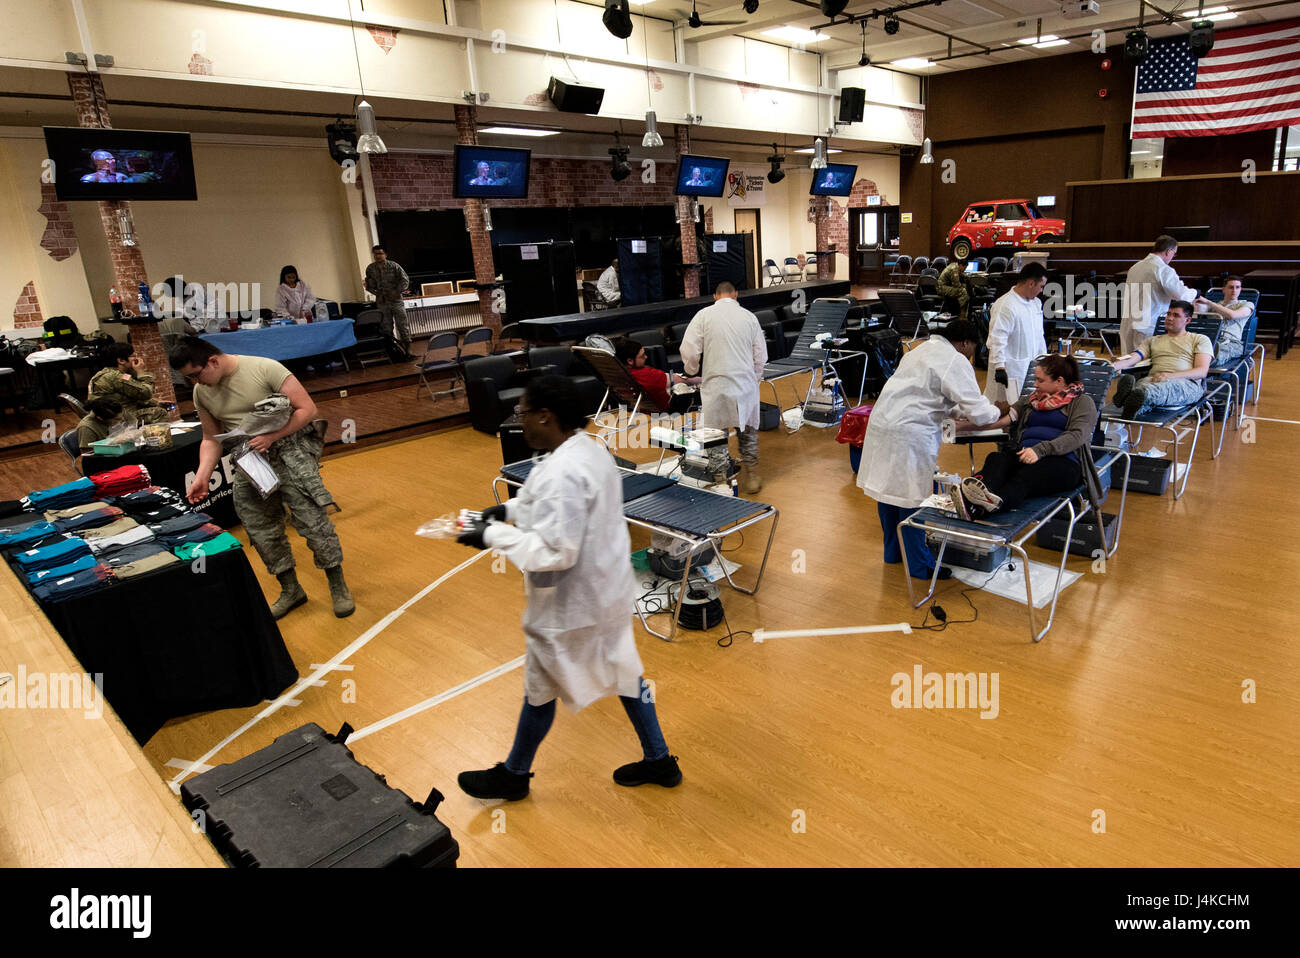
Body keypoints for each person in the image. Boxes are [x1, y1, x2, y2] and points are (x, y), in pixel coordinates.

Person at [454, 375, 680, 801]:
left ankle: (514, 775)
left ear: (546, 415)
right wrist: (505, 509)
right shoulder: (589, 450)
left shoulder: (562, 469)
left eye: (523, 413)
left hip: (571, 607)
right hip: (609, 593)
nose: (519, 422)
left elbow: (554, 553)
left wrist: (492, 536)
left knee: (540, 689)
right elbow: (553, 501)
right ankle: (660, 761)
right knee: (627, 676)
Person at [168, 337, 354, 618]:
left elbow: (308, 409)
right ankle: (291, 589)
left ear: (213, 361)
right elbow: (210, 438)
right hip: (249, 459)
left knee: (313, 522)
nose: (196, 382)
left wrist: (272, 436)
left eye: (196, 374)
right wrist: (203, 476)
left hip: (288, 451)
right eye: (189, 378)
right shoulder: (201, 392)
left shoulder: (265, 368)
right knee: (260, 526)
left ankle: (337, 585)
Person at [856, 320, 1007, 580]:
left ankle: (893, 553)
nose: (972, 355)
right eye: (972, 349)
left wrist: (961, 415)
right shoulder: (954, 359)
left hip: (884, 424)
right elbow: (981, 414)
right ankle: (920, 566)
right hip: (910, 433)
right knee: (911, 499)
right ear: (965, 343)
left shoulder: (919, 350)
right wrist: (1000, 410)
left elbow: (937, 395)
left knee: (890, 493)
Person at [956, 355, 1102, 518]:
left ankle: (986, 505)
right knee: (996, 459)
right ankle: (977, 495)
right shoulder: (1030, 400)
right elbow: (1001, 421)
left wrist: (1040, 450)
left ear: (1059, 381)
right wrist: (962, 426)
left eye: (1040, 380)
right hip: (1025, 455)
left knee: (1024, 478)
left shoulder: (1082, 402)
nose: (1035, 385)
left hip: (1064, 462)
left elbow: (1077, 436)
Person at [679, 281, 767, 493]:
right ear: (736, 295)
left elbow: (689, 349)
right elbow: (760, 355)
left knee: (716, 434)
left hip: (717, 385)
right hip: (744, 385)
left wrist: (691, 370)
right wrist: (754, 378)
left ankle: (720, 481)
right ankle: (751, 475)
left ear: (715, 296)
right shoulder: (749, 317)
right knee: (747, 431)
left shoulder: (703, 315)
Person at [1109, 300, 1212, 419]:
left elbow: (1202, 371)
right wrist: (1111, 367)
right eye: (1168, 314)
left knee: (1153, 390)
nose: (1169, 318)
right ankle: (1132, 405)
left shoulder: (1200, 339)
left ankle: (1127, 398)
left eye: (1176, 315)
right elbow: (1132, 358)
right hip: (1154, 380)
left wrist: (1170, 376)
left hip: (1187, 384)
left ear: (1187, 320)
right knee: (1143, 388)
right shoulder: (1152, 340)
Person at [1120, 235, 1198, 355]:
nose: (1173, 257)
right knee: (1145, 364)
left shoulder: (1135, 267)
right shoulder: (1162, 269)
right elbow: (1181, 295)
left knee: (1128, 363)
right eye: (1174, 254)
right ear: (1168, 251)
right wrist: (1196, 292)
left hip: (1128, 323)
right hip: (1148, 324)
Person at [985, 262, 1048, 403]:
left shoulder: (1036, 303)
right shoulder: (1005, 305)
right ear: (1031, 283)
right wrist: (999, 367)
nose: (1041, 290)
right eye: (1041, 286)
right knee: (1002, 409)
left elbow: (1039, 336)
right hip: (1009, 370)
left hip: (1031, 368)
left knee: (1027, 408)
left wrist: (1045, 360)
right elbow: (997, 339)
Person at [88, 343, 168, 425]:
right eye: (133, 356)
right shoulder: (115, 377)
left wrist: (155, 402)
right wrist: (141, 372)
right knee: (159, 413)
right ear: (121, 361)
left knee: (154, 407)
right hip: (115, 418)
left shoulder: (109, 373)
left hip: (118, 412)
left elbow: (132, 394)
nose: (136, 358)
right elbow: (146, 393)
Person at [614, 339, 698, 414]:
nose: (646, 357)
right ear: (630, 361)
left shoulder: (617, 374)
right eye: (642, 356)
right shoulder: (647, 375)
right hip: (661, 413)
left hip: (634, 412)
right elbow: (684, 381)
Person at [363, 245, 412, 359]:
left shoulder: (394, 266)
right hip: (382, 302)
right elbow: (369, 285)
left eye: (380, 253)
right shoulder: (370, 268)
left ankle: (408, 351)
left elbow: (405, 280)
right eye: (375, 254)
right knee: (386, 328)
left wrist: (397, 291)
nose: (378, 256)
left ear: (385, 254)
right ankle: (393, 352)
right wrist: (376, 293)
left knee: (403, 326)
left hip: (396, 301)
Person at [1196, 275, 1252, 366]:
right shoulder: (1214, 305)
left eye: (1237, 287)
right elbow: (1195, 316)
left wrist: (1209, 302)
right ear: (1223, 289)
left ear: (1240, 289)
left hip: (1232, 343)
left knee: (1214, 355)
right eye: (1231, 287)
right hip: (1212, 341)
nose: (1234, 290)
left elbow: (1232, 315)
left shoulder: (1247, 304)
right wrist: (1195, 304)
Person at [936, 253, 971, 320]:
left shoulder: (955, 265)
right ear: (961, 265)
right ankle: (960, 312)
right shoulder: (954, 269)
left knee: (964, 287)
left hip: (945, 286)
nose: (965, 270)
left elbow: (961, 274)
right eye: (965, 268)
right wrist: (964, 287)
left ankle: (960, 311)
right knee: (963, 291)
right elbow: (956, 284)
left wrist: (966, 276)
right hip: (942, 288)